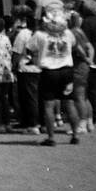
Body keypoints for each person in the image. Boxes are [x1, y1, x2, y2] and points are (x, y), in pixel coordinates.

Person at [28, 12, 80, 146]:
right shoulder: (68, 33)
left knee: (49, 105)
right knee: (69, 103)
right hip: (66, 71)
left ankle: (51, 138)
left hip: (49, 72)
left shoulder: (40, 35)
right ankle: (75, 135)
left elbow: (29, 48)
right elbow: (73, 45)